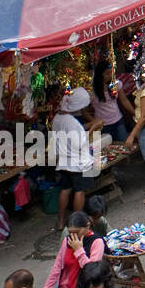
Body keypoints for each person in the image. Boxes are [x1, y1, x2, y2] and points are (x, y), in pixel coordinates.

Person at [51, 86, 100, 230]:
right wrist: (93, 127)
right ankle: (76, 223)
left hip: (64, 161)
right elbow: (80, 142)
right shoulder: (71, 122)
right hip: (77, 163)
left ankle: (60, 221)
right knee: (79, 191)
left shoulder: (58, 117)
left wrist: (88, 125)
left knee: (65, 189)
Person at [41, 210, 105, 288]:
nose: (73, 236)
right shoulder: (67, 240)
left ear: (88, 226)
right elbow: (57, 267)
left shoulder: (97, 242)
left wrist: (79, 250)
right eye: (70, 232)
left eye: (77, 232)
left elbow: (92, 272)